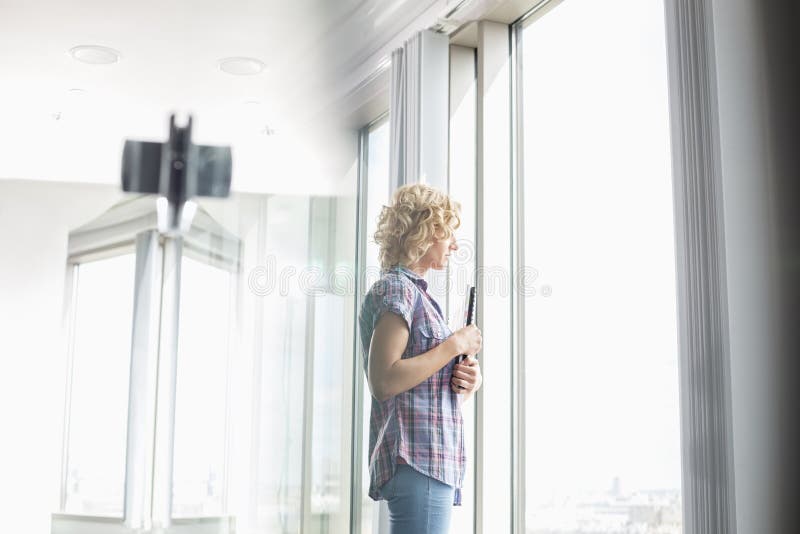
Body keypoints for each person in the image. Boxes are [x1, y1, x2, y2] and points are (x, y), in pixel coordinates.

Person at [358, 183, 483, 533]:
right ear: (426, 232)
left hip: (428, 462)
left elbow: (423, 387)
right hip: (419, 461)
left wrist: (468, 381)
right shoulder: (398, 289)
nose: (455, 245)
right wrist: (453, 345)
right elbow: (384, 381)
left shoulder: (415, 295)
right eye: (449, 234)